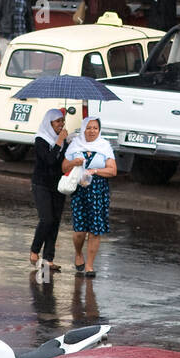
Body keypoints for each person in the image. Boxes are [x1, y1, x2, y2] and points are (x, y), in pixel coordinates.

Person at [62, 117, 117, 278]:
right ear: (83, 129)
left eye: (95, 128)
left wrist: (95, 171)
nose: (92, 131)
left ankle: (89, 266)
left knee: (95, 230)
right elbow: (64, 167)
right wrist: (74, 163)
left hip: (98, 191)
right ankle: (78, 253)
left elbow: (113, 171)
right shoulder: (75, 145)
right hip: (80, 191)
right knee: (80, 230)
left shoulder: (104, 146)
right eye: (89, 128)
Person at [29, 108, 69, 274]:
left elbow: (63, 162)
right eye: (57, 121)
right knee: (46, 219)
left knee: (55, 222)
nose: (61, 124)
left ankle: (48, 259)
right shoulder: (41, 140)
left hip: (58, 185)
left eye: (62, 121)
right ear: (49, 123)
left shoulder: (64, 140)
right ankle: (34, 249)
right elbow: (49, 161)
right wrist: (59, 142)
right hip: (42, 184)